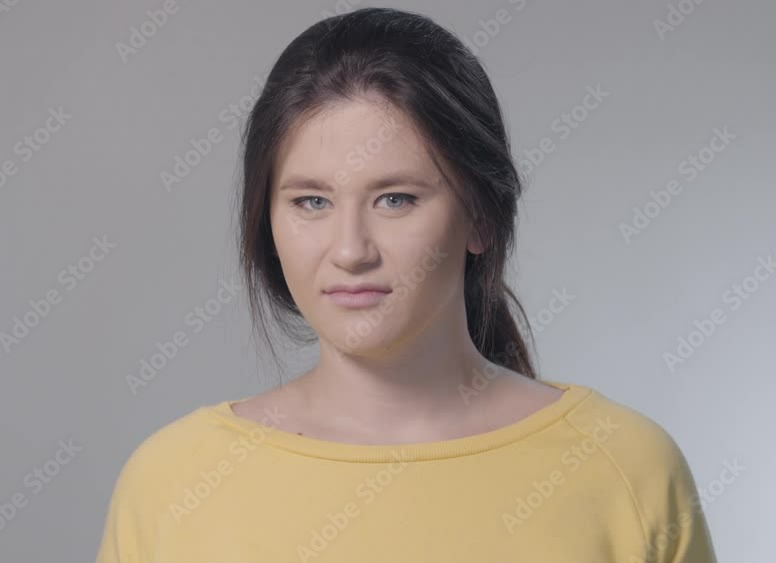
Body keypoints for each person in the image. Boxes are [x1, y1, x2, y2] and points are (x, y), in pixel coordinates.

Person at [95, 7, 717, 562]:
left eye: (395, 199)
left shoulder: (627, 469)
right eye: (311, 201)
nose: (349, 249)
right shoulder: (172, 482)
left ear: (480, 216)